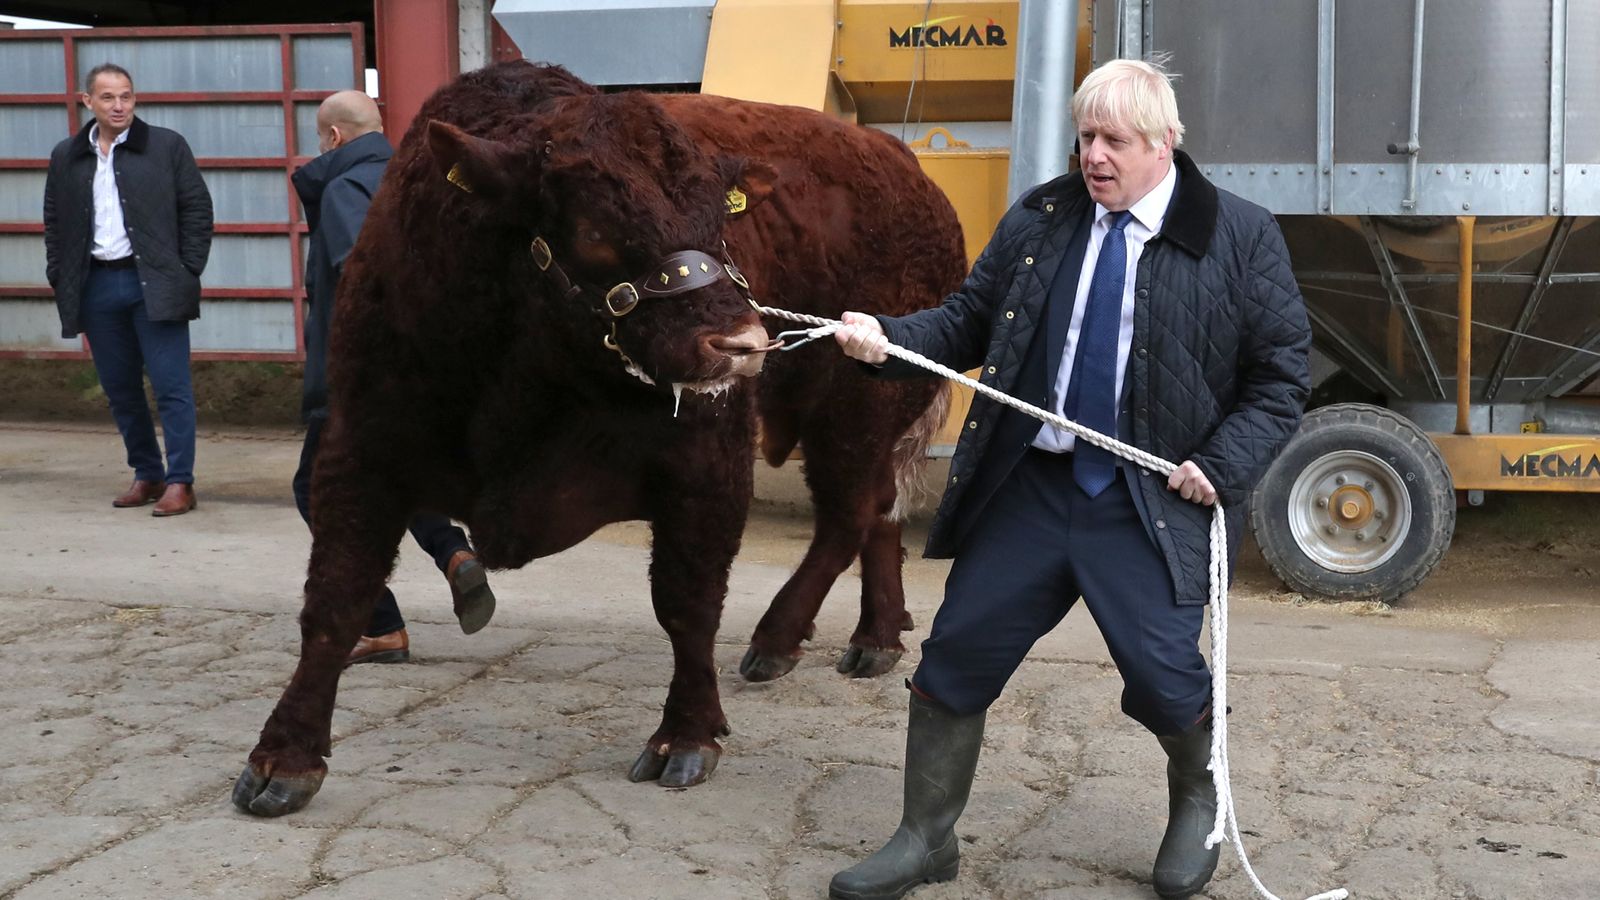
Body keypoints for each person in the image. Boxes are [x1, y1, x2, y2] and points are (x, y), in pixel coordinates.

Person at [828, 59, 1311, 900]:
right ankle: (925, 838)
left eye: (1114, 141)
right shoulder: (1044, 217)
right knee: (955, 658)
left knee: (1167, 681)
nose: (1094, 156)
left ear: (1163, 145)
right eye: (1086, 137)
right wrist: (885, 339)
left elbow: (1280, 382)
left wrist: (1221, 465)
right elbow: (967, 319)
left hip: (1148, 503)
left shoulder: (1239, 234)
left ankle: (1200, 799)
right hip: (1034, 487)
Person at [292, 90, 497, 665]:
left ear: (332, 137)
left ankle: (379, 624)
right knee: (395, 478)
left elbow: (360, 277)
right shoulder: (421, 178)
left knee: (317, 491)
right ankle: (455, 554)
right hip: (425, 366)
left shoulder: (343, 188)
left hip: (362, 373)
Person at [43, 63, 213, 517]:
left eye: (127, 96)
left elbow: (197, 209)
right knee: (120, 389)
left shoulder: (166, 147)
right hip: (97, 284)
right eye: (108, 98)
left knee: (171, 386)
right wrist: (60, 274)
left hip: (154, 282)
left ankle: (181, 482)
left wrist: (186, 269)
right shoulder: (67, 155)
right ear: (87, 102)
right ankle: (148, 473)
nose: (119, 106)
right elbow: (55, 221)